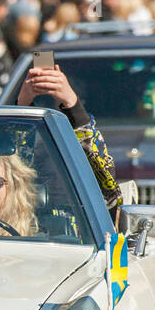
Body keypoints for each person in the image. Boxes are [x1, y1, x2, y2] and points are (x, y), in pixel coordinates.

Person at [16, 65, 120, 212]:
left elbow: (108, 188)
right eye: (50, 177)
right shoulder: (37, 142)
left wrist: (73, 104)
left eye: (67, 177)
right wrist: (23, 104)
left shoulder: (93, 219)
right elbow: (12, 163)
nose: (58, 185)